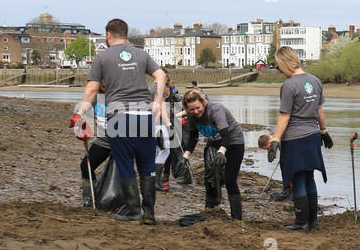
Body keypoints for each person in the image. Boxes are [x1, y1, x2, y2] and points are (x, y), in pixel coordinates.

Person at [75, 19, 168, 224]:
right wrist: (157, 101)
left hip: (120, 117)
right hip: (145, 117)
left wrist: (80, 113)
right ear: (125, 34)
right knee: (147, 167)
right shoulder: (141, 54)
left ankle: (133, 212)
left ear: (108, 35)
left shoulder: (102, 57)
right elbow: (160, 75)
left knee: (126, 165)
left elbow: (92, 90)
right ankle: (150, 214)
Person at [260, 46, 329, 231]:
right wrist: (324, 131)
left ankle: (301, 222)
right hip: (313, 135)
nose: (278, 70)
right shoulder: (315, 81)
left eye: (278, 66)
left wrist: (275, 139)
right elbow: (319, 110)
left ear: (284, 62)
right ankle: (312, 222)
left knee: (297, 178)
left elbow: (285, 116)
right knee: (309, 177)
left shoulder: (289, 85)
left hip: (295, 138)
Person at [180, 87, 246, 220]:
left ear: (202, 102)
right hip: (214, 143)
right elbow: (193, 137)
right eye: (191, 109)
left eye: (198, 107)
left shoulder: (215, 110)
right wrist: (185, 156)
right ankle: (211, 210)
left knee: (229, 180)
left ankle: (237, 218)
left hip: (233, 143)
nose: (196, 111)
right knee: (210, 176)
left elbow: (225, 135)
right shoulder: (191, 115)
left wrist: (222, 152)